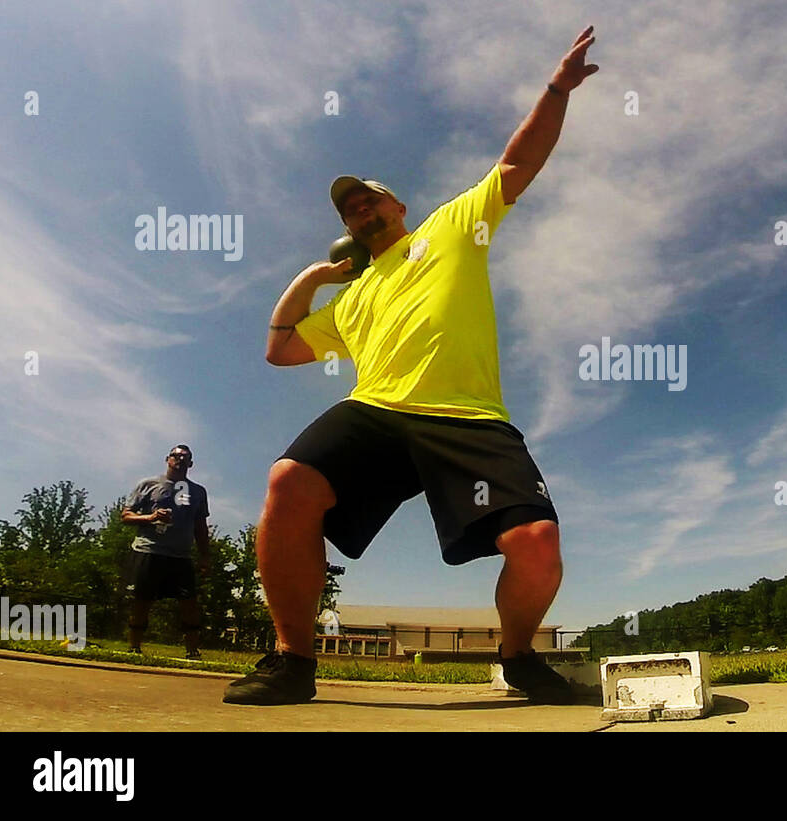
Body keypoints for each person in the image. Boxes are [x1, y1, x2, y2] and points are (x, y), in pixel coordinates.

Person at [223, 26, 600, 705]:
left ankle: (519, 657)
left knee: (537, 542)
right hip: (378, 412)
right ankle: (292, 660)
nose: (358, 208)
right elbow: (278, 347)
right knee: (289, 483)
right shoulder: (352, 295)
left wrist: (556, 90)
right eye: (347, 207)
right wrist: (312, 278)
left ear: (398, 205)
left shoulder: (450, 228)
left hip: (467, 415)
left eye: (367, 197)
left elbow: (518, 164)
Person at [121, 445, 212, 659]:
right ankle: (134, 648)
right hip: (149, 551)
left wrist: (205, 556)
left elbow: (200, 526)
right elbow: (125, 516)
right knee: (142, 600)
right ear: (167, 459)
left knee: (189, 602)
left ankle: (192, 652)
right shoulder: (148, 484)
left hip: (181, 556)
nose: (180, 459)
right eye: (176, 456)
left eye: (185, 457)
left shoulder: (198, 492)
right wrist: (150, 517)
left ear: (190, 464)